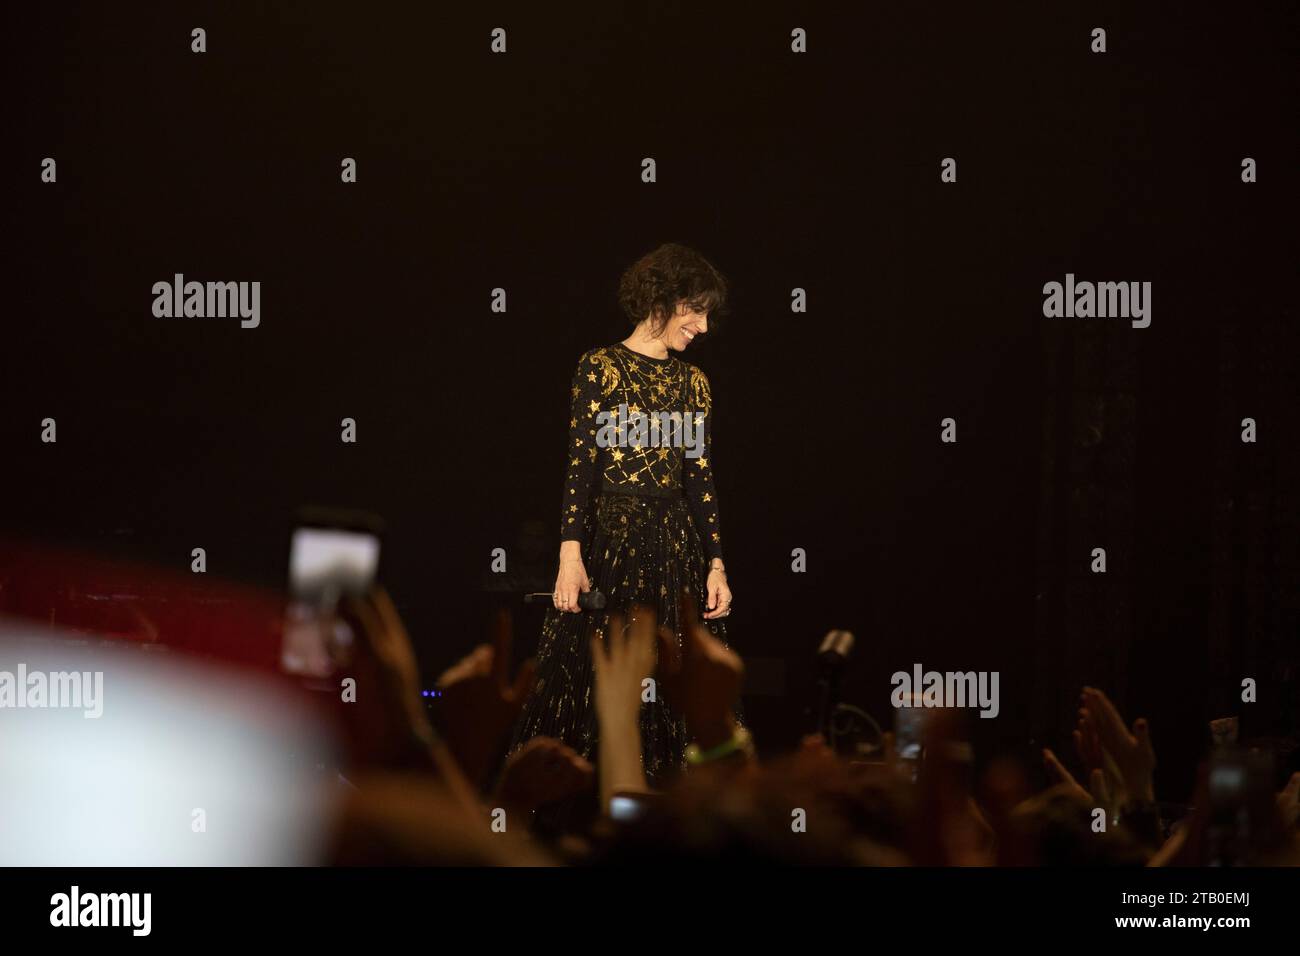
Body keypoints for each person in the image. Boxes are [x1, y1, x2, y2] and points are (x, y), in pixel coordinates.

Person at [506, 242, 739, 805]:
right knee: (597, 677)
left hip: (676, 548)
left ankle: (670, 819)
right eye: (697, 310)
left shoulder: (693, 384)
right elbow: (581, 466)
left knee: (673, 677)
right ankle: (589, 814)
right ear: (665, 300)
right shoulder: (600, 368)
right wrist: (570, 553)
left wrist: (716, 563)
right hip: (611, 540)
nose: (704, 326)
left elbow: (699, 479)